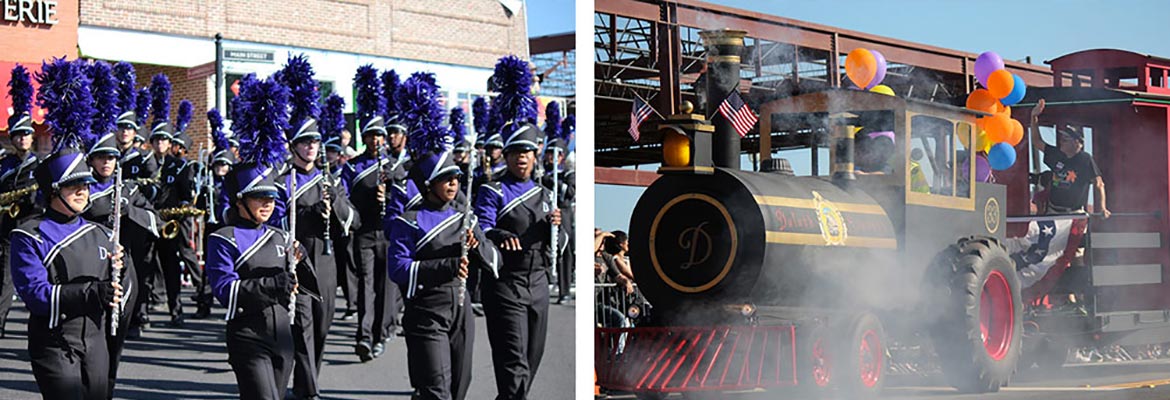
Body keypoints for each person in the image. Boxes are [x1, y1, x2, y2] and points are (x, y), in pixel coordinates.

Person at [10, 57, 125, 399]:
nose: (83, 191)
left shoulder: (102, 233)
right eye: (73, 185)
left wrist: (119, 274)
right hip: (54, 342)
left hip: (97, 340)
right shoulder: (28, 235)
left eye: (86, 185)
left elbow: (118, 292)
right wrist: (94, 292)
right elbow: (37, 296)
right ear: (53, 191)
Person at [387, 71, 500, 400]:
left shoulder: (465, 217)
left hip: (461, 309)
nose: (453, 183)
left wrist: (478, 249)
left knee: (459, 386)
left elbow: (495, 261)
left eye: (456, 177)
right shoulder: (409, 221)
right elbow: (398, 269)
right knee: (437, 390)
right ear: (428, 184)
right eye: (445, 178)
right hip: (426, 310)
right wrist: (447, 266)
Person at [205, 74, 307, 400]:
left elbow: (301, 283)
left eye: (271, 198)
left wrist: (300, 258)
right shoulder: (224, 238)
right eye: (259, 197)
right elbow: (226, 292)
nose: (267, 203)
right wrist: (274, 284)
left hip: (283, 334)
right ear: (240, 201)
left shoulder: (280, 236)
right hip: (247, 335)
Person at [474, 56, 566, 400]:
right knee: (513, 361)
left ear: (535, 155)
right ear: (506, 156)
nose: (521, 158)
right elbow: (483, 227)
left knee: (531, 357)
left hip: (538, 282)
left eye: (526, 152)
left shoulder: (546, 193)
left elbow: (561, 242)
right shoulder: (493, 190)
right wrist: (500, 235)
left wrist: (557, 227)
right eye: (514, 152)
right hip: (506, 284)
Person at [273, 55, 354, 400]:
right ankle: (309, 392)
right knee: (303, 324)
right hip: (297, 258)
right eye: (305, 142)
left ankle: (306, 382)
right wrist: (305, 214)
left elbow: (352, 221)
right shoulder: (281, 180)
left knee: (321, 327)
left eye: (315, 142)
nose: (311, 147)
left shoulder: (330, 180)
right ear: (293, 145)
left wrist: (334, 204)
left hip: (326, 260)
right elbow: (273, 222)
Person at [343, 65, 400, 361]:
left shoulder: (395, 167)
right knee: (366, 286)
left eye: (380, 135)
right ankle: (363, 337)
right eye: (371, 135)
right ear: (364, 138)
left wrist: (388, 195)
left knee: (385, 288)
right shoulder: (353, 166)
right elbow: (344, 197)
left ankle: (380, 335)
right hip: (364, 232)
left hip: (389, 234)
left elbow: (406, 199)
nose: (376, 140)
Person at [0, 64, 40, 339]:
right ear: (12, 138)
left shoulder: (42, 164)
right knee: (4, 279)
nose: (23, 138)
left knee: (37, 278)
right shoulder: (4, 164)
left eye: (27, 133)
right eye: (18, 134)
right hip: (7, 227)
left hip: (34, 226)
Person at [1029, 99, 1110, 218]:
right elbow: (1037, 142)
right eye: (1062, 138)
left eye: (1065, 139)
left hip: (1075, 214)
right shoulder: (1056, 154)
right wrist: (1034, 117)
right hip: (1053, 212)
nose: (1061, 141)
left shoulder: (1085, 159)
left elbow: (1099, 183)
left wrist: (1103, 208)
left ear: (1077, 142)